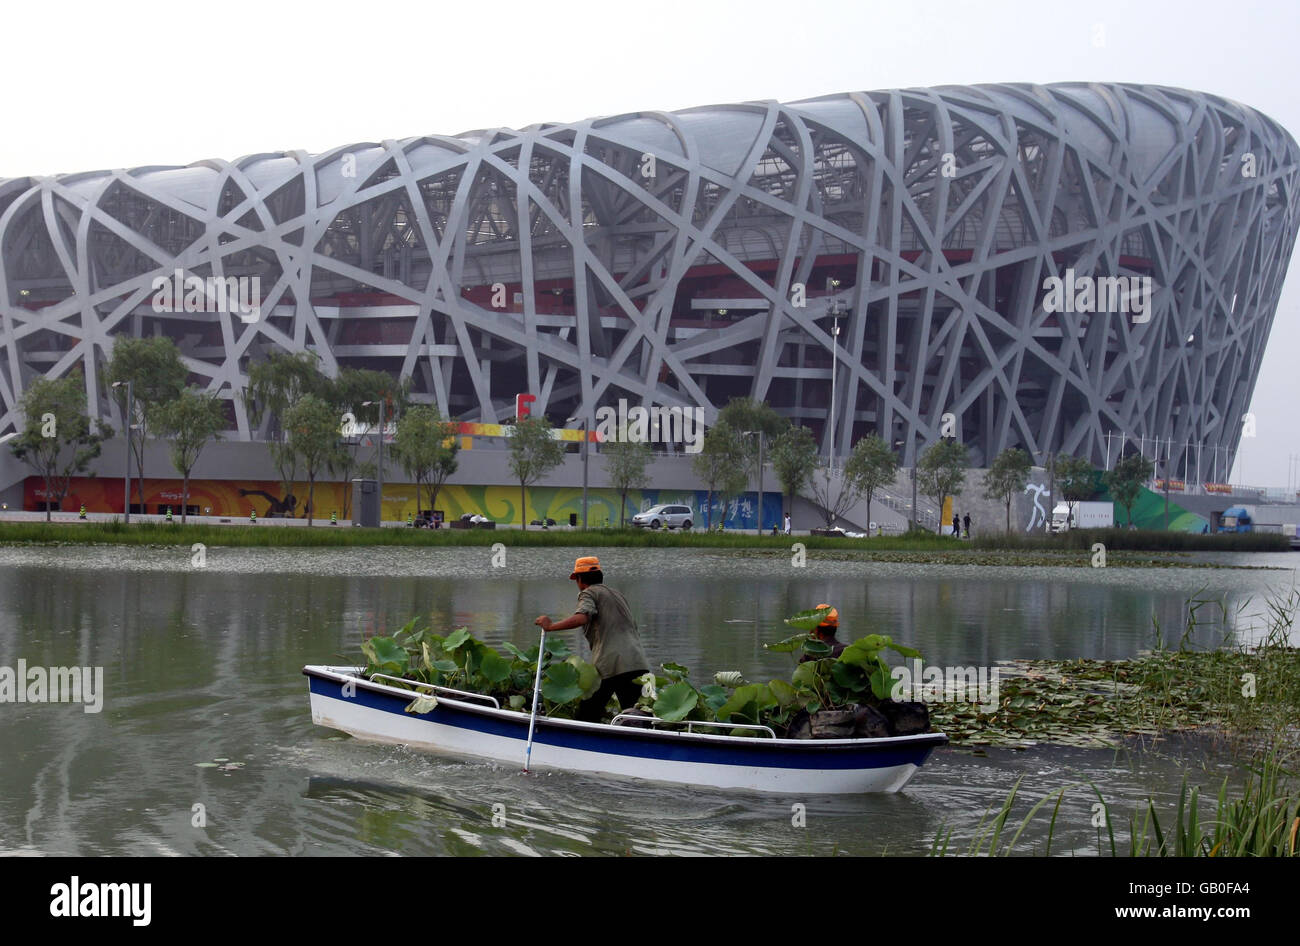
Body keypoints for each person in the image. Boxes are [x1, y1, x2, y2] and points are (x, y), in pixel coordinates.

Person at [534, 556, 649, 723]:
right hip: (638, 662)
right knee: (636, 714)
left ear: (580, 580)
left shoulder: (588, 593)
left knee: (588, 712)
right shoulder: (618, 595)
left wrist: (551, 626)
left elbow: (582, 617)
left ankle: (580, 744)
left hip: (610, 663)